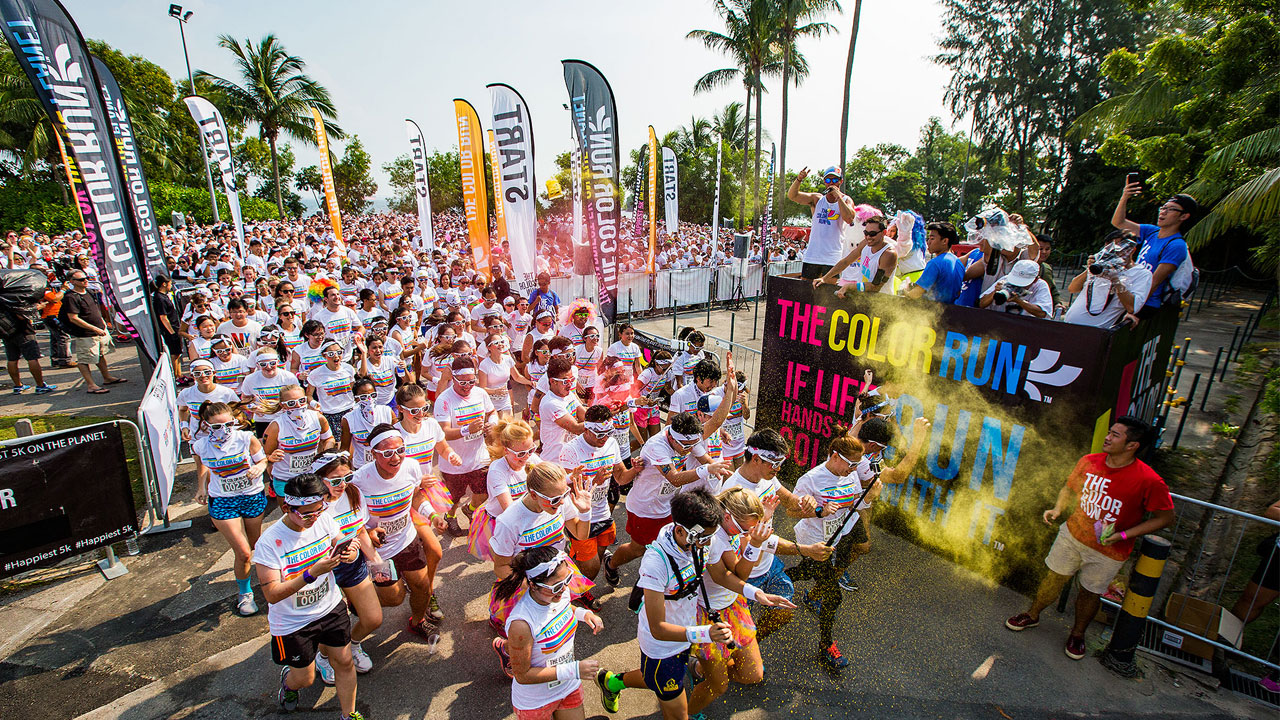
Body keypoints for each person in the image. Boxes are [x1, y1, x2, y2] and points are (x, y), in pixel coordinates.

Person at [1005, 416, 1175, 661]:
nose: (1107, 437)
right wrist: (1057, 509)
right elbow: (1068, 488)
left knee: (1089, 593)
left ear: (1132, 446)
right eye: (1110, 432)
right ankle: (1031, 615)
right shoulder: (1089, 461)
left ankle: (1077, 634)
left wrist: (1124, 535)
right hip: (1072, 535)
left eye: (1116, 435)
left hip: (1109, 551)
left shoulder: (1149, 480)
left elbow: (1165, 518)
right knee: (1053, 579)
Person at [594, 490, 733, 717]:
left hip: (684, 634)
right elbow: (658, 628)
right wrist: (706, 633)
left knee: (653, 677)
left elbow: (720, 575)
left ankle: (611, 682)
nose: (708, 543)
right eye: (704, 538)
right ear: (681, 531)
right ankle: (611, 682)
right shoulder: (655, 564)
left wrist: (757, 594)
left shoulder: (694, 542)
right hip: (663, 646)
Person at [252, 474, 364, 720]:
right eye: (306, 514)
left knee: (345, 662)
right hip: (293, 622)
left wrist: (352, 551)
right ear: (286, 508)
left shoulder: (323, 520)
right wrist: (311, 574)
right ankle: (290, 685)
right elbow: (271, 595)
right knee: (305, 677)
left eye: (319, 509)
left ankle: (350, 715)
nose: (315, 517)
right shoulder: (268, 544)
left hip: (330, 606)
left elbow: (342, 543)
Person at [687, 486, 794, 716]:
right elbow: (738, 575)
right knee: (719, 686)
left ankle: (699, 668)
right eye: (743, 528)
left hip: (733, 606)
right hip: (709, 614)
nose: (745, 533)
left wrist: (760, 522)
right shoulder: (713, 538)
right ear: (727, 517)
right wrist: (755, 546)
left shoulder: (733, 527)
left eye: (750, 528)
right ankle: (684, 714)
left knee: (752, 675)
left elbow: (745, 553)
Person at [601, 412, 731, 588]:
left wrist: (730, 391)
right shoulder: (657, 446)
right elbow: (675, 479)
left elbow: (713, 429)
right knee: (638, 549)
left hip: (668, 505)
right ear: (671, 436)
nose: (689, 449)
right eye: (686, 446)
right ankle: (611, 564)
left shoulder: (687, 438)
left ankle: (661, 580)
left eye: (693, 445)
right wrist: (707, 469)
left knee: (673, 545)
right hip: (645, 508)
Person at [488, 462, 594, 675]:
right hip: (525, 586)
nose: (560, 502)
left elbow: (580, 534)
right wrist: (532, 587)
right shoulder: (509, 521)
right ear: (533, 494)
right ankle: (507, 649)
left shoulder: (560, 503)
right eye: (553, 499)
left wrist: (585, 512)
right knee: (528, 632)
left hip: (556, 576)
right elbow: (500, 566)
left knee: (551, 626)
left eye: (563, 494)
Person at [784, 435, 874, 668]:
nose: (854, 470)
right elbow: (792, 513)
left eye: (857, 465)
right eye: (851, 464)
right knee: (834, 596)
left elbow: (853, 500)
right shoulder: (811, 479)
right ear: (835, 456)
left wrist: (867, 498)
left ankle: (777, 578)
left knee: (807, 571)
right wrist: (819, 511)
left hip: (839, 536)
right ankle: (826, 647)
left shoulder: (850, 473)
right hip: (814, 540)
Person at [354, 424, 445, 644]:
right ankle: (357, 600)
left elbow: (415, 497)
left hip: (407, 540)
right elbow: (351, 520)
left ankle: (418, 621)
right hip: (378, 552)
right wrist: (368, 531)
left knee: (422, 586)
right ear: (373, 453)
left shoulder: (412, 467)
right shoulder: (359, 481)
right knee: (394, 598)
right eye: (387, 453)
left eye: (400, 450)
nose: (396, 458)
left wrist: (432, 515)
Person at [495, 545, 606, 720]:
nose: (563, 589)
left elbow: (562, 608)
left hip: (568, 688)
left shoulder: (560, 592)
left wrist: (583, 614)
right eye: (555, 587)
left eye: (567, 579)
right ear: (532, 584)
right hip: (536, 702)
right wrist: (574, 669)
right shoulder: (521, 624)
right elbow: (522, 675)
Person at [191, 401, 270, 616]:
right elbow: (203, 467)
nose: (223, 430)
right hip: (223, 500)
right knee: (243, 553)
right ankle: (245, 594)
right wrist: (201, 488)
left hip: (251, 496)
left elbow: (263, 461)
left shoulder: (246, 438)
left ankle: (266, 573)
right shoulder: (200, 446)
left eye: (228, 424)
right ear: (206, 425)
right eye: (217, 426)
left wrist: (258, 468)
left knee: (255, 545)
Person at [312, 452, 384, 682]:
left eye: (347, 477)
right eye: (335, 480)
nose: (342, 485)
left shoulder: (353, 493)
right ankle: (323, 657)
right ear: (318, 479)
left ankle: (352, 645)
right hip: (323, 571)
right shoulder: (312, 504)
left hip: (353, 565)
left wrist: (376, 562)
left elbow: (360, 530)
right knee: (331, 625)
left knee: (373, 619)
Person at [559, 404, 644, 583]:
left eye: (608, 433)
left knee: (595, 561)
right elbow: (568, 491)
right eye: (600, 434)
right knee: (591, 569)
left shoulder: (611, 443)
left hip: (603, 513)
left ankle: (577, 566)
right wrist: (594, 482)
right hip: (580, 517)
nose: (605, 438)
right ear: (587, 429)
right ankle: (575, 591)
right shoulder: (571, 450)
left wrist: (634, 470)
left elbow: (620, 477)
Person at [435, 355, 498, 536]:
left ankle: (470, 509)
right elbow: (443, 432)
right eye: (462, 383)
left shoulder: (480, 393)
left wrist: (492, 423)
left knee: (485, 492)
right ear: (453, 379)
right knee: (453, 498)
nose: (467, 387)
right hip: (454, 461)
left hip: (479, 456)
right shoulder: (444, 400)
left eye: (471, 382)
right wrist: (466, 430)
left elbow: (492, 412)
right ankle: (450, 516)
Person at [1111, 180, 1194, 317]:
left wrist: (1134, 309)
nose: (1163, 212)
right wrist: (1125, 196)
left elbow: (1155, 282)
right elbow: (1118, 222)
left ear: (1184, 216)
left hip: (1145, 303)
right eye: (1163, 208)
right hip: (1130, 295)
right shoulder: (1152, 232)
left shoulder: (1176, 245)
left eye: (1171, 209)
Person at [469, 417, 538, 562]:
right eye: (520, 454)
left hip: (525, 517)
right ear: (506, 450)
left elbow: (550, 478)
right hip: (502, 522)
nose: (527, 456)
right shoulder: (497, 470)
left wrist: (570, 478)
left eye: (531, 450)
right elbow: (509, 509)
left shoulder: (532, 459)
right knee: (510, 564)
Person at [1063, 231, 1152, 329]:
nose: (1111, 253)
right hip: (1069, 325)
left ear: (1131, 250)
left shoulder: (1142, 274)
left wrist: (1115, 280)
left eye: (1116, 249)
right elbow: (1072, 288)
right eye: (1108, 250)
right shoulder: (1102, 265)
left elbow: (1132, 307)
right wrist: (1090, 269)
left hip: (1098, 332)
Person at [58, 268, 125, 394]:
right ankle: (91, 385)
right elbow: (73, 318)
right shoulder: (71, 297)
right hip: (85, 334)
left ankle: (107, 377)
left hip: (98, 331)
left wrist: (103, 324)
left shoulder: (88, 291)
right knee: (84, 360)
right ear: (72, 281)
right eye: (81, 279)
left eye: (86, 278)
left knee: (100, 355)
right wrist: (93, 328)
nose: (85, 281)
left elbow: (95, 310)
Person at [262, 383, 334, 499]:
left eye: (302, 401)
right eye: (291, 403)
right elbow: (265, 455)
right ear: (283, 406)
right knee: (290, 515)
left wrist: (326, 451)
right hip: (286, 479)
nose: (298, 406)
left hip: (312, 476)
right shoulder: (276, 427)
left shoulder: (318, 418)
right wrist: (271, 458)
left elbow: (328, 439)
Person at [787, 166, 855, 280]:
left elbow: (849, 218)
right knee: (807, 291)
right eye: (828, 180)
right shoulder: (817, 199)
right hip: (812, 256)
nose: (831, 183)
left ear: (840, 181)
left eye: (835, 180)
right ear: (824, 182)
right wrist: (798, 179)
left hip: (833, 257)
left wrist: (838, 196)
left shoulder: (846, 200)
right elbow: (792, 196)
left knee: (827, 293)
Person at [814, 215, 897, 296]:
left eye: (872, 234)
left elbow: (875, 286)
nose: (868, 237)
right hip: (862, 297)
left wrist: (850, 286)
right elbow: (846, 262)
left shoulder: (889, 254)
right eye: (866, 233)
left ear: (884, 233)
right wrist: (824, 278)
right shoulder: (865, 243)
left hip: (881, 301)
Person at [306, 339, 356, 446]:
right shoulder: (316, 374)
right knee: (335, 445)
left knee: (352, 443)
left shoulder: (349, 369)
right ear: (324, 356)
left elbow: (352, 389)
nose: (336, 356)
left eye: (339, 352)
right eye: (331, 354)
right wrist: (314, 404)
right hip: (330, 414)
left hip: (349, 410)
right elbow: (309, 395)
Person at [904, 222, 964, 303]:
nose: (928, 242)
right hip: (951, 311)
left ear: (945, 241)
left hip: (932, 311)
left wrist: (906, 291)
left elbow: (916, 294)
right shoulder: (959, 263)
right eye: (928, 239)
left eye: (932, 239)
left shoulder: (935, 263)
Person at [978, 259, 1052, 317]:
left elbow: (1042, 313)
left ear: (1035, 279)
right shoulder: (1005, 280)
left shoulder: (1040, 285)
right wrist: (994, 292)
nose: (1018, 286)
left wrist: (1018, 301)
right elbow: (981, 304)